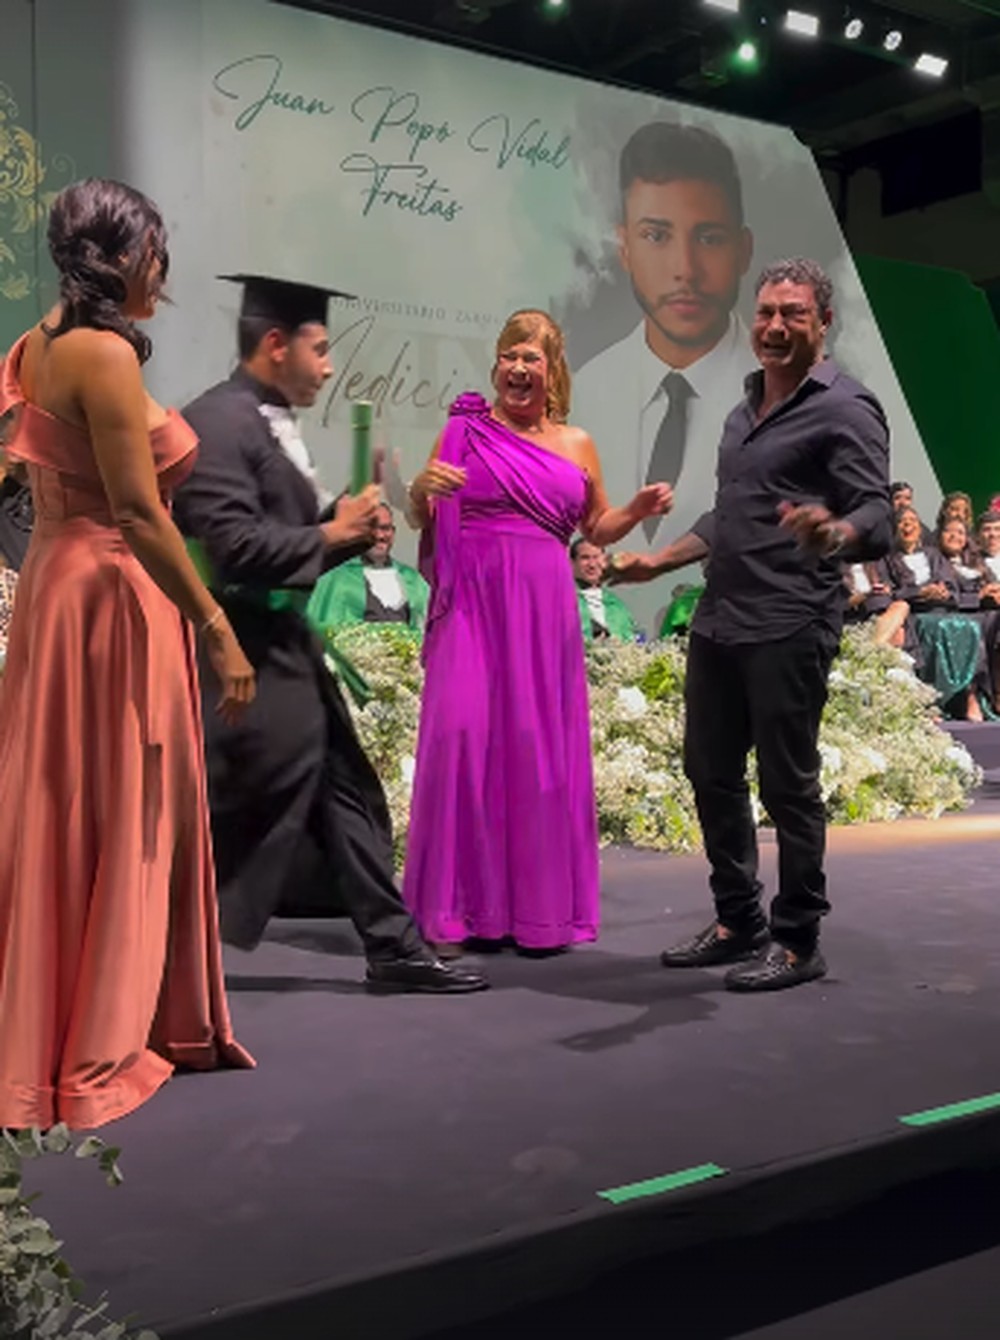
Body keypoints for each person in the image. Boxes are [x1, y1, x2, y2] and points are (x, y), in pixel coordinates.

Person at [0, 178, 255, 1130]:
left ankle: (69, 1018)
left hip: (60, 591)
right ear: (122, 255)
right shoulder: (101, 353)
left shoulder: (38, 340)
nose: (165, 269)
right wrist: (215, 624)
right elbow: (143, 513)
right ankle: (92, 1040)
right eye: (155, 249)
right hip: (109, 593)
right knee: (120, 801)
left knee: (64, 801)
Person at [175, 274, 486, 994]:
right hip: (240, 653)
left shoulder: (267, 422)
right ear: (275, 345)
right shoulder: (218, 424)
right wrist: (333, 529)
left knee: (345, 788)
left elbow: (292, 534)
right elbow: (232, 547)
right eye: (318, 349)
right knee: (231, 809)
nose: (328, 365)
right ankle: (141, 951)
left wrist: (352, 528)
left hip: (285, 647)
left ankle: (393, 944)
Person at [401, 309, 672, 953]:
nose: (520, 368)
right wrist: (418, 491)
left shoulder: (577, 442)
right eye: (510, 356)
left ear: (551, 373)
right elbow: (426, 516)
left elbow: (595, 527)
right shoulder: (463, 431)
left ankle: (536, 915)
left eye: (533, 359)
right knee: (463, 735)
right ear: (496, 366)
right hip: (471, 603)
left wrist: (632, 511)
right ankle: (460, 908)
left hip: (543, 607)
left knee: (533, 747)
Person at [655, 258, 892, 992]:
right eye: (765, 313)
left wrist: (839, 533)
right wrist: (658, 560)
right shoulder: (743, 407)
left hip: (790, 620)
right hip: (721, 619)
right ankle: (738, 922)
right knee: (710, 773)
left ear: (823, 324)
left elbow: (876, 513)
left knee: (788, 786)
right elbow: (730, 516)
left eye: (793, 313)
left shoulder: (846, 406)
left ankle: (797, 938)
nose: (775, 326)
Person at [572, 121, 756, 547]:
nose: (685, 269)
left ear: (743, 250)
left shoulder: (782, 400)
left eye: (709, 238)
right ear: (624, 249)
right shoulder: (584, 393)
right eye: (656, 235)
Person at [307, 502, 429, 637]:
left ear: (393, 532)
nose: (379, 536)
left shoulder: (413, 580)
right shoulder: (334, 578)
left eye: (385, 528)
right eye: (372, 528)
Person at [571, 536, 637, 641]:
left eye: (596, 557)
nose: (592, 564)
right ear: (572, 563)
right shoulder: (561, 601)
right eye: (585, 558)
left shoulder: (616, 606)